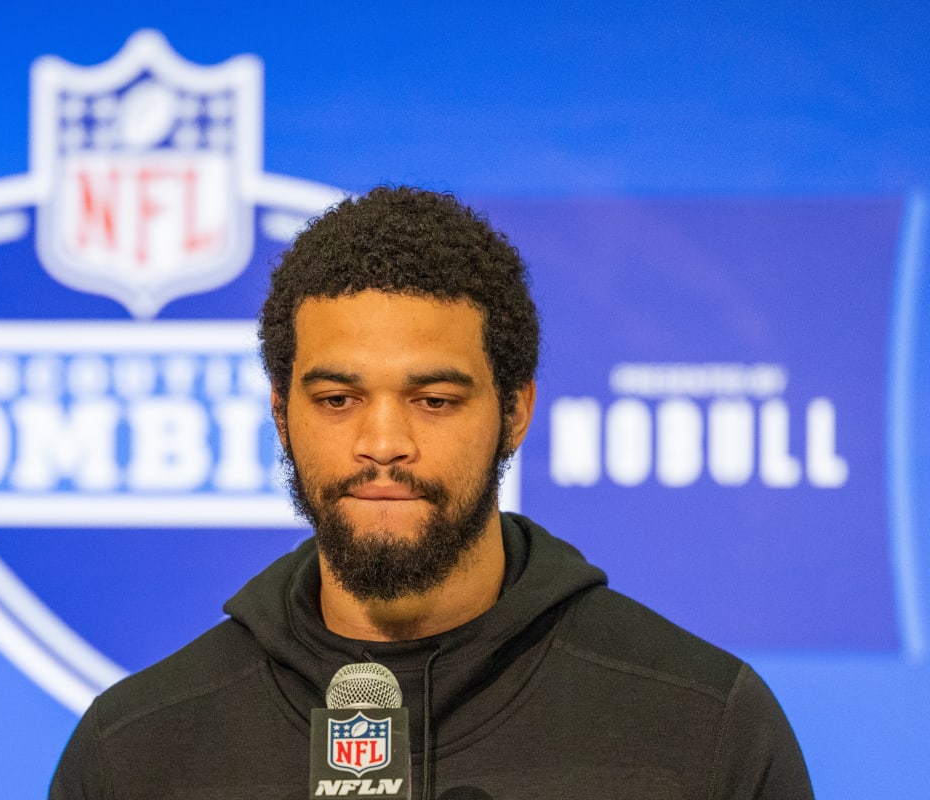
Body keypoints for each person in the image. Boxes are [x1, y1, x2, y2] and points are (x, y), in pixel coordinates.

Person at [49, 186, 813, 799]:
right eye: (338, 399)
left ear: (515, 411)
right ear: (282, 415)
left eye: (434, 400)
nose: (383, 443)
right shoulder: (138, 752)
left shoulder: (700, 726)